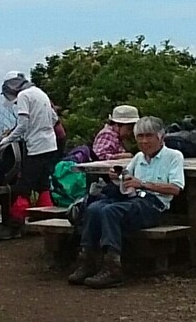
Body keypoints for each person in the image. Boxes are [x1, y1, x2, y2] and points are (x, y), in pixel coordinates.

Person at [67, 116, 184, 288]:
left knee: (110, 211)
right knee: (94, 208)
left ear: (160, 137)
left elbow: (175, 188)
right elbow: (127, 180)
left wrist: (142, 184)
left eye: (149, 136)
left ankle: (113, 267)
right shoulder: (138, 157)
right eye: (140, 137)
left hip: (154, 205)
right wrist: (117, 176)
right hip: (133, 200)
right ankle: (88, 260)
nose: (144, 141)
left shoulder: (173, 156)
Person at [0, 71, 60, 236]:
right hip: (50, 145)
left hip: (36, 148)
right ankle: (46, 221)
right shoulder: (39, 92)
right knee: (43, 186)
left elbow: (23, 124)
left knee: (24, 187)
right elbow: (54, 118)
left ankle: (14, 225)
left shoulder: (24, 96)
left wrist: (7, 140)